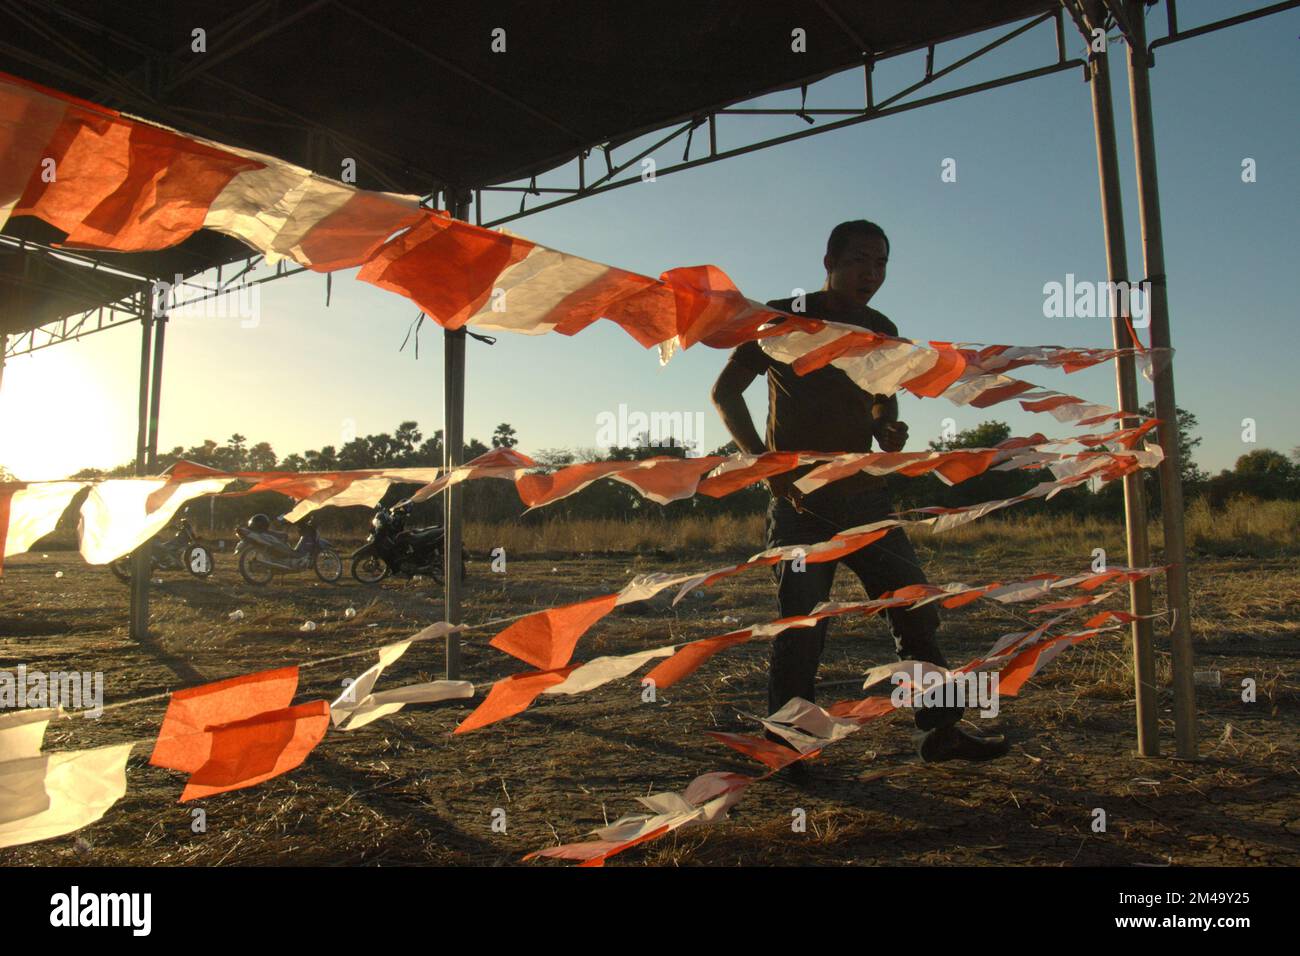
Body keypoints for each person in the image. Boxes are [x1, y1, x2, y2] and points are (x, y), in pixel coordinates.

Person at [710, 220, 1009, 765]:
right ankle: (789, 750)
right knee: (802, 630)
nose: (870, 273)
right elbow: (725, 392)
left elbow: (883, 396)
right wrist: (763, 462)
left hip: (867, 500)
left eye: (881, 263)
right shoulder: (786, 314)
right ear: (829, 261)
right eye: (859, 261)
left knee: (914, 607)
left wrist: (885, 426)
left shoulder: (880, 326)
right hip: (800, 503)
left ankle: (940, 733)